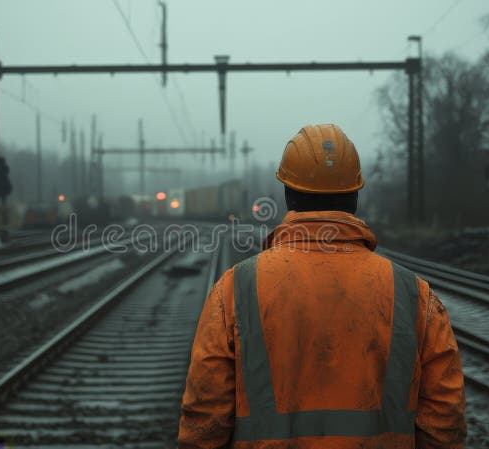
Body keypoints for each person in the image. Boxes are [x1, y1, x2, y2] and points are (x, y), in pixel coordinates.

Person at [178, 124, 466, 448]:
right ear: (355, 196)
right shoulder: (413, 294)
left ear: (288, 195)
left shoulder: (235, 290)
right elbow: (445, 420)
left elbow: (205, 419)